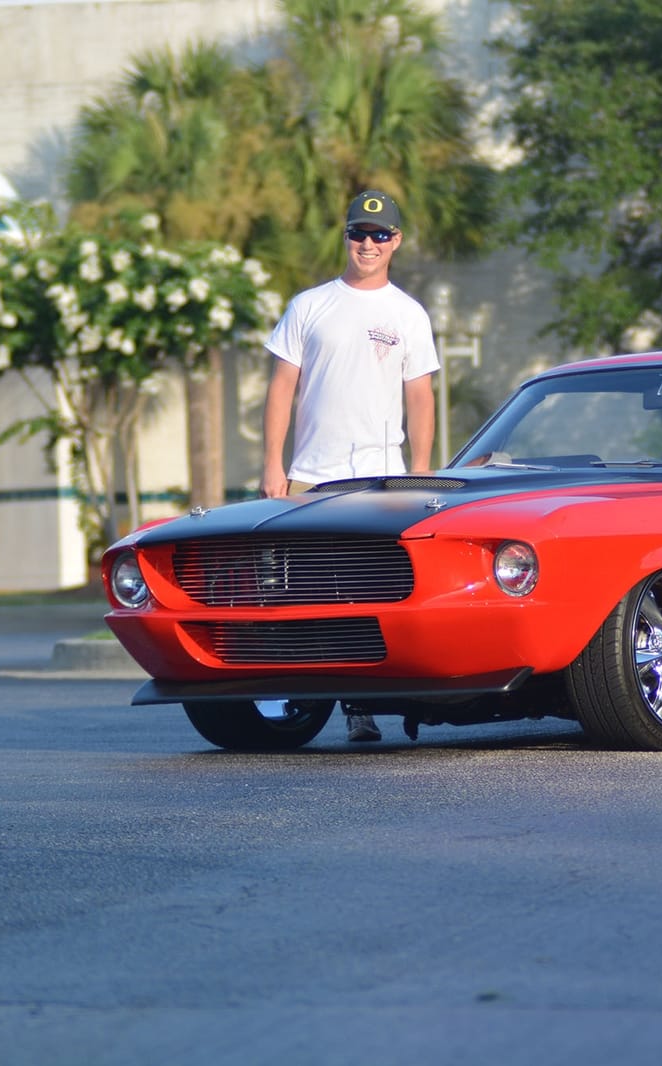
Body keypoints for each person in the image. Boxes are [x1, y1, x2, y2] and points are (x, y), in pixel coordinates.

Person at [261, 190, 440, 742]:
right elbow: (281, 388)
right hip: (312, 475)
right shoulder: (309, 305)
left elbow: (420, 397)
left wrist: (420, 472)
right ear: (346, 237)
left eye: (380, 235)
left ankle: (362, 704)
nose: (369, 243)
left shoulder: (408, 313)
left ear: (396, 242)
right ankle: (301, 694)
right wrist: (272, 465)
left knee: (366, 590)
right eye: (359, 233)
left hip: (381, 480)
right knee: (305, 592)